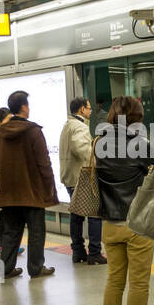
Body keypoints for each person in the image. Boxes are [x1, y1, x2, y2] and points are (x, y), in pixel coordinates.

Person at [94, 96, 154, 305]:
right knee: (139, 282)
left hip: (110, 223)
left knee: (114, 280)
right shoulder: (142, 144)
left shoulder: (98, 143)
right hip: (138, 224)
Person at [0, 90, 58, 279]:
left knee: (11, 232)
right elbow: (43, 162)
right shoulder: (33, 131)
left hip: (10, 193)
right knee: (36, 232)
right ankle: (36, 268)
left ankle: (5, 268)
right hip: (32, 191)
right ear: (23, 107)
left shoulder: (0, 135)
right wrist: (49, 186)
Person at [60, 97, 105, 265]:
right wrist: (95, 161)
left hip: (70, 176)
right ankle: (94, 252)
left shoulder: (67, 125)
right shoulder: (79, 127)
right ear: (81, 110)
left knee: (76, 215)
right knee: (94, 214)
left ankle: (78, 251)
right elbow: (82, 150)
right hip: (81, 177)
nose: (91, 111)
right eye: (89, 108)